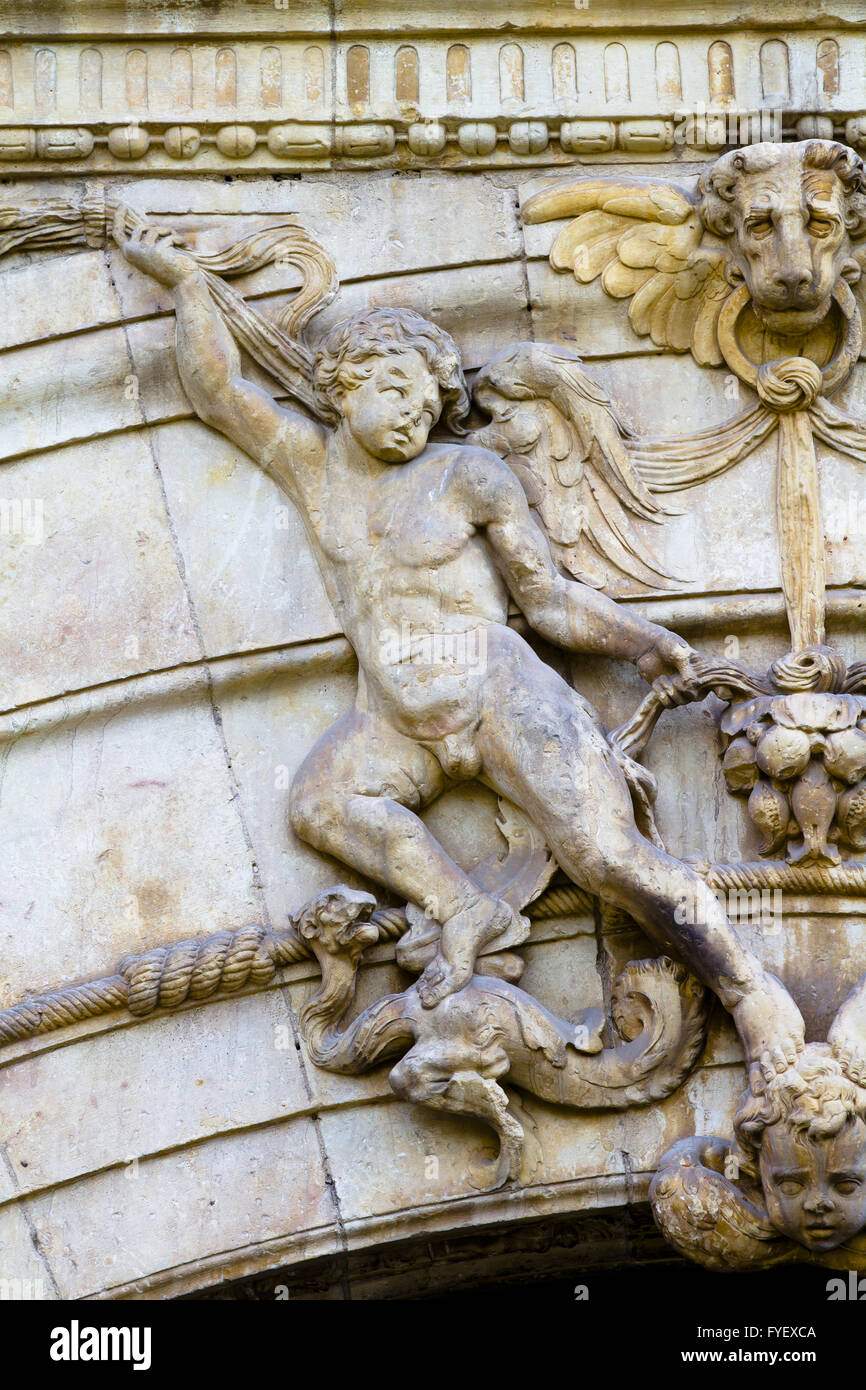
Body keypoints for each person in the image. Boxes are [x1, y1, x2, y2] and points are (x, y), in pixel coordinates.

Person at [119, 223, 805, 1076]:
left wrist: (643, 639)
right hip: (395, 718)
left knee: (606, 856)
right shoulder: (310, 466)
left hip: (496, 694)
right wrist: (186, 281)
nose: (414, 412)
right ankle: (461, 904)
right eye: (397, 390)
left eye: (427, 400)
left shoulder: (469, 478)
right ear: (344, 387)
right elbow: (220, 391)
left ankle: (750, 993)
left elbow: (547, 600)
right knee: (323, 804)